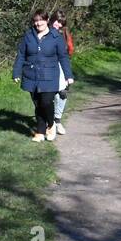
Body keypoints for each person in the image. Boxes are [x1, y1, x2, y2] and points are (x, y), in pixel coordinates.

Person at [12, 9, 74, 142]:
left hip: (49, 75)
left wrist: (68, 75)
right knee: (38, 104)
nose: (38, 23)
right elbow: (21, 55)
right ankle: (40, 132)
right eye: (36, 20)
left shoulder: (56, 37)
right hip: (31, 76)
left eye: (41, 20)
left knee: (46, 102)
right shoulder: (28, 36)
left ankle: (51, 125)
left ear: (47, 20)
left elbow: (63, 57)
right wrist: (16, 72)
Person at [49, 9, 75, 135]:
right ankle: (50, 121)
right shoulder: (44, 31)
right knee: (50, 94)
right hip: (47, 66)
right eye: (57, 21)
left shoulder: (64, 33)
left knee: (63, 93)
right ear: (52, 19)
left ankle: (57, 119)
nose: (58, 25)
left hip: (61, 64)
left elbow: (70, 49)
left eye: (61, 23)